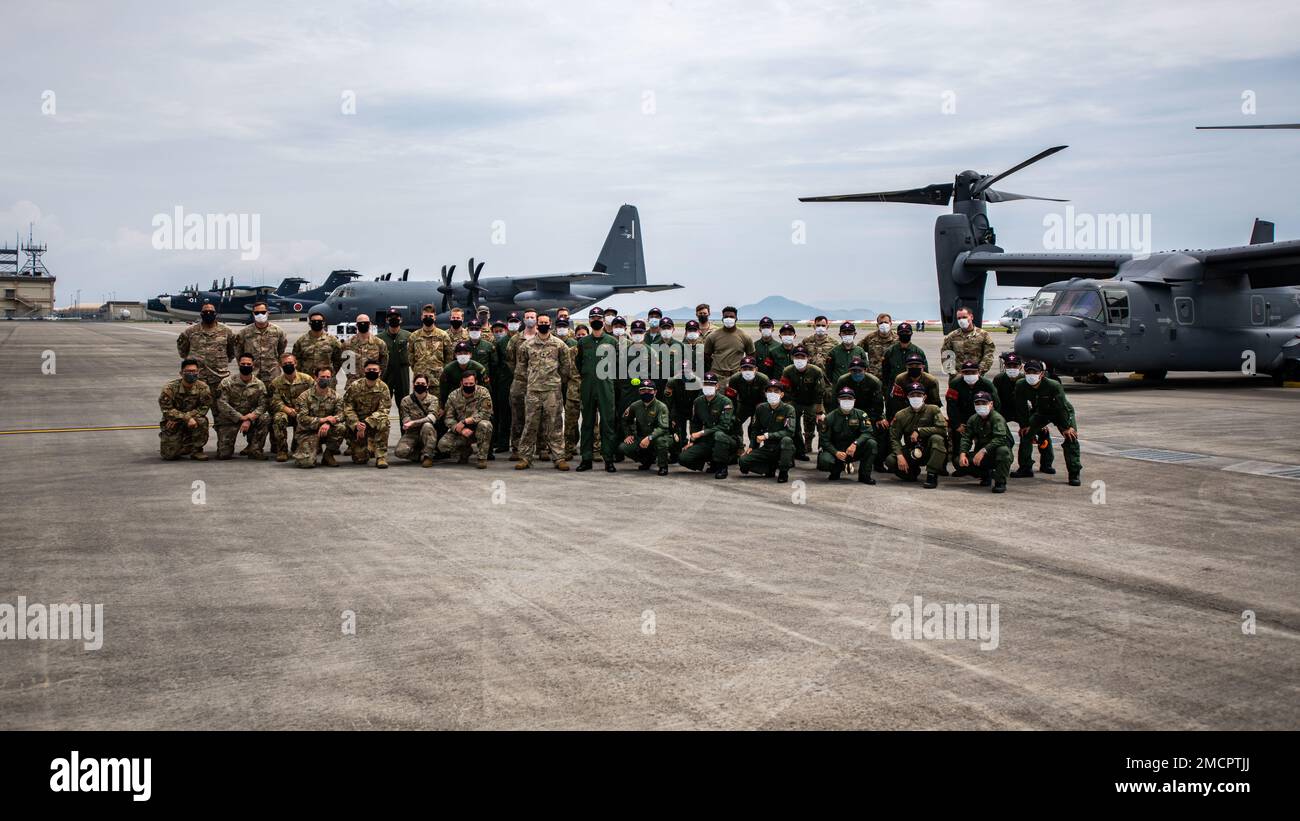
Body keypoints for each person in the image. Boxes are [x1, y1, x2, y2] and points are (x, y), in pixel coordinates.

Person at [515, 314, 572, 470]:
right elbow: (521, 369)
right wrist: (533, 380)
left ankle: (559, 458)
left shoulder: (559, 345)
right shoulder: (527, 345)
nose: (543, 324)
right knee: (530, 425)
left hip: (552, 391)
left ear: (550, 324)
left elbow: (566, 368)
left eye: (546, 322)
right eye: (541, 322)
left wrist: (554, 381)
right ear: (537, 324)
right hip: (533, 391)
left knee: (555, 425)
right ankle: (525, 458)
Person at [1012, 360, 1082, 485]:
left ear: (1042, 374)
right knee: (1025, 434)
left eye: (1035, 372)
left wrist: (1067, 427)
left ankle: (1074, 472)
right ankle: (1025, 467)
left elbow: (1062, 407)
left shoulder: (1053, 385)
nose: (1031, 374)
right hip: (1041, 412)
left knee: (1071, 438)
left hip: (1060, 413)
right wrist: (1024, 425)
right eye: (1028, 372)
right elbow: (1020, 406)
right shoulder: (1021, 385)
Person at [993, 351, 1055, 475]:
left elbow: (1037, 400)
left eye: (1015, 366)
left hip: (1025, 411)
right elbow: (995, 400)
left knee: (1041, 433)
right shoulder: (999, 379)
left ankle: (1046, 464)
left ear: (1020, 367)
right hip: (1004, 410)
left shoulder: (1026, 379)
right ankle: (1009, 465)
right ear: (1004, 367)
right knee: (997, 434)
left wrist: (1039, 421)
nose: (1012, 369)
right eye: (1009, 366)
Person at [575, 307, 617, 472]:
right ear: (589, 321)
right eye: (593, 318)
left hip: (606, 387)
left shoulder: (612, 342)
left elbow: (618, 365)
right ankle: (586, 459)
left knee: (607, 424)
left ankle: (608, 459)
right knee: (587, 423)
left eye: (599, 317)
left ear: (603, 320)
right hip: (587, 387)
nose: (597, 320)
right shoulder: (583, 342)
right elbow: (579, 364)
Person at [884, 381, 948, 489]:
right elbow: (894, 438)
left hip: (930, 449)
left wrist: (919, 431)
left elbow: (942, 429)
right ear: (907, 397)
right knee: (890, 460)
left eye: (919, 395)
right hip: (912, 450)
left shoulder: (933, 409)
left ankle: (932, 475)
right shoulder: (901, 415)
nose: (916, 397)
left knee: (937, 438)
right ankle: (911, 473)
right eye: (912, 395)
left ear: (925, 397)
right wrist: (899, 456)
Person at [677, 372, 736, 479]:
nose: (708, 386)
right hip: (707, 440)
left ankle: (722, 467)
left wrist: (702, 433)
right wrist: (693, 440)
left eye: (711, 384)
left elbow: (724, 426)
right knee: (683, 458)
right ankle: (711, 460)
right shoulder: (698, 402)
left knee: (719, 435)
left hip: (726, 439)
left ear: (717, 386)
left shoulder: (726, 402)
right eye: (705, 384)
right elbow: (695, 423)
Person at [834, 357, 888, 471]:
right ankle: (839, 459)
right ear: (849, 371)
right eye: (854, 371)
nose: (857, 373)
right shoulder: (843, 380)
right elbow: (835, 400)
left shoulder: (874, 381)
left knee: (881, 429)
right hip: (846, 410)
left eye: (860, 371)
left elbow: (878, 402)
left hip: (869, 411)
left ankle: (878, 461)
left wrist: (879, 418)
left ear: (865, 370)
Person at [945, 360, 998, 475]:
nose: (970, 375)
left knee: (985, 440)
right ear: (961, 373)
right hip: (962, 418)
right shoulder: (955, 384)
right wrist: (957, 424)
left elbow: (996, 405)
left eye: (973, 372)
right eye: (966, 372)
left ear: (979, 372)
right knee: (957, 439)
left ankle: (987, 466)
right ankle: (960, 466)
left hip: (982, 418)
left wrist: (988, 423)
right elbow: (951, 406)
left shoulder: (987, 384)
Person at [738, 379, 795, 483]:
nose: (772, 393)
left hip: (782, 448)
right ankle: (769, 469)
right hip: (767, 448)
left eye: (776, 391)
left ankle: (783, 471)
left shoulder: (788, 409)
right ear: (765, 394)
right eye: (770, 391)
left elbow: (789, 431)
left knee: (787, 440)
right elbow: (755, 429)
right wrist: (752, 446)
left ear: (782, 394)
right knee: (743, 461)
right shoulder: (761, 408)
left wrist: (767, 436)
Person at [214, 353, 269, 460]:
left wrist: (249, 418)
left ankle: (255, 449)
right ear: (239, 365)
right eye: (243, 364)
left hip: (251, 419)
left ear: (253, 366)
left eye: (248, 364)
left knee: (265, 418)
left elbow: (263, 405)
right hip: (230, 419)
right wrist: (240, 417)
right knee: (223, 455)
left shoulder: (259, 384)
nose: (245, 366)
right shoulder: (227, 383)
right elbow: (222, 404)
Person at [176, 302, 236, 398]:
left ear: (215, 314)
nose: (208, 314)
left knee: (220, 410)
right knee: (194, 410)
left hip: (219, 378)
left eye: (211, 312)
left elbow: (232, 351)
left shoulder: (226, 331)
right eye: (205, 312)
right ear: (201, 314)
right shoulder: (190, 331)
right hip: (197, 379)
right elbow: (183, 351)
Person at [819, 386, 878, 484]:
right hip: (837, 451)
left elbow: (867, 432)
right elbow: (824, 440)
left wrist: (855, 444)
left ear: (854, 400)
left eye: (849, 398)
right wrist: (835, 452)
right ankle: (836, 470)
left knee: (872, 444)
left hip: (854, 450)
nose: (847, 401)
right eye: (843, 398)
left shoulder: (861, 415)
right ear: (838, 400)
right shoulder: (830, 417)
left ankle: (864, 476)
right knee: (824, 461)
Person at [779, 346, 828, 461]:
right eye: (797, 357)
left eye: (803, 357)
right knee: (791, 424)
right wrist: (786, 408)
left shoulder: (816, 371)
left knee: (822, 422)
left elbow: (819, 392)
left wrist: (819, 411)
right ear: (792, 358)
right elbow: (784, 389)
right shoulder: (788, 371)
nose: (799, 360)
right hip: (794, 401)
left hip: (812, 402)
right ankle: (798, 450)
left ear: (808, 358)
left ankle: (824, 449)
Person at [958, 390, 1013, 493]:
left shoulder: (997, 418)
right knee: (959, 462)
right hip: (982, 453)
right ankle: (985, 475)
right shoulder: (973, 419)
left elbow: (1001, 438)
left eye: (984, 403)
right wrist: (963, 453)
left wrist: (984, 451)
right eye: (977, 403)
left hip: (997, 452)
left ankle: (1000, 482)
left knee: (1003, 451)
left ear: (991, 404)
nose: (980, 406)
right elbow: (966, 438)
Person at [438, 370, 494, 468]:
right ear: (461, 383)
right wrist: (459, 429)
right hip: (461, 430)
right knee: (443, 445)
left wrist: (466, 421)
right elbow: (448, 417)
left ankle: (482, 458)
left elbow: (486, 413)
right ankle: (465, 450)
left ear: (476, 382)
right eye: (466, 383)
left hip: (478, 427)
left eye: (471, 383)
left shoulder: (483, 392)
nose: (468, 385)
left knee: (486, 424)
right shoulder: (453, 396)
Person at [342, 359, 392, 468]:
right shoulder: (355, 386)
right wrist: (356, 424)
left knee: (385, 421)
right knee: (360, 459)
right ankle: (368, 445)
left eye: (374, 370)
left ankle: (381, 457)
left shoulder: (383, 388)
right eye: (369, 369)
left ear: (379, 372)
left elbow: (384, 410)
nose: (372, 371)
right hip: (358, 426)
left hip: (373, 424)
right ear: (364, 371)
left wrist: (366, 423)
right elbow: (347, 407)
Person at [159, 358, 211, 460]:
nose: (191, 374)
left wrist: (188, 417)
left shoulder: (203, 388)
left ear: (198, 372)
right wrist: (186, 418)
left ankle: (197, 450)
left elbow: (204, 408)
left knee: (202, 421)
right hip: (173, 421)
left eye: (194, 371)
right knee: (169, 456)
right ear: (181, 373)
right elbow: (166, 410)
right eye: (188, 371)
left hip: (193, 420)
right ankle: (183, 444)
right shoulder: (169, 388)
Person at [293, 367, 345, 468]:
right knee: (306, 463)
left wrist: (328, 423)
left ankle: (328, 455)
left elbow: (342, 414)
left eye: (328, 377)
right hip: (307, 432)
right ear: (316, 378)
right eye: (322, 377)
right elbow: (302, 418)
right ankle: (311, 450)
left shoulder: (336, 396)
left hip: (327, 430)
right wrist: (323, 420)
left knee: (341, 428)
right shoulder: (304, 397)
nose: (325, 379)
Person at [267, 353, 314, 461]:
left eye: (290, 363)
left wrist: (300, 410)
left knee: (307, 417)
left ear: (296, 364)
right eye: (285, 364)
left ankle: (297, 444)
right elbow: (274, 401)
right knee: (279, 418)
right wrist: (286, 409)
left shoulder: (307, 380)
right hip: (285, 412)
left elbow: (313, 397)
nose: (288, 365)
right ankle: (282, 450)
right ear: (280, 365)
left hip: (302, 412)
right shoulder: (276, 383)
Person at [620, 380, 672, 475]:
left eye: (649, 390)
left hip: (658, 437)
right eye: (643, 390)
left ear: (655, 392)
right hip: (641, 436)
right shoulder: (635, 405)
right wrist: (629, 434)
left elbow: (663, 427)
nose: (646, 393)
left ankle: (663, 466)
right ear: (639, 392)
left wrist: (649, 437)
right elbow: (625, 420)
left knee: (661, 441)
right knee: (624, 447)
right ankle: (646, 461)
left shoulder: (661, 407)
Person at [505, 308, 538, 458]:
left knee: (539, 416)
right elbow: (510, 360)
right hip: (520, 382)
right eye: (527, 317)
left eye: (532, 317)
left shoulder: (543, 337)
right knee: (517, 415)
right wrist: (520, 373)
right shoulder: (515, 339)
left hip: (539, 382)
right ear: (523, 320)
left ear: (536, 319)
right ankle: (517, 448)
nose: (530, 319)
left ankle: (541, 448)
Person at [234, 301, 287, 383]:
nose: (260, 315)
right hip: (252, 375)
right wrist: (245, 367)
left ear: (268, 313)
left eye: (263, 312)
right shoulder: (244, 332)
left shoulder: (278, 331)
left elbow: (281, 350)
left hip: (272, 375)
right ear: (253, 314)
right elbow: (238, 352)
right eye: (257, 312)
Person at [395, 374, 440, 467]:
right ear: (413, 384)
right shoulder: (405, 401)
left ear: (427, 385)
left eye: (423, 383)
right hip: (412, 433)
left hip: (427, 431)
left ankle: (428, 457)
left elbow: (431, 418)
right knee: (399, 452)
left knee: (427, 425)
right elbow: (406, 422)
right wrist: (410, 423)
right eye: (417, 383)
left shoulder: (433, 399)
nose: (420, 385)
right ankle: (420, 455)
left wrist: (414, 422)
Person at [702, 305, 754, 384]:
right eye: (726, 317)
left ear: (736, 318)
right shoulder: (712, 336)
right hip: (717, 376)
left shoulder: (745, 336)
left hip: (737, 376)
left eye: (731, 317)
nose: (728, 319)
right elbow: (706, 356)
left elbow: (751, 356)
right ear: (722, 318)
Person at [940, 306, 997, 376]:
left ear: (971, 317)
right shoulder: (951, 336)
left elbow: (988, 355)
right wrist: (955, 375)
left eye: (964, 317)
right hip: (956, 379)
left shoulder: (983, 335)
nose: (961, 320)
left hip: (977, 377)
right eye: (959, 318)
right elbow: (945, 356)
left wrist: (979, 373)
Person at [293, 310, 344, 386]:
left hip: (327, 380)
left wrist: (331, 372)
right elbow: (296, 359)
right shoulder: (301, 341)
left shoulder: (333, 340)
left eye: (319, 321)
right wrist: (302, 373)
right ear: (310, 323)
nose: (316, 323)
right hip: (306, 381)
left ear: (323, 323)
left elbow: (339, 359)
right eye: (314, 321)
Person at [408, 304, 452, 386]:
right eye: (425, 316)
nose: (428, 318)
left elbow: (449, 356)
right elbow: (411, 356)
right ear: (421, 317)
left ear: (435, 317)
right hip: (419, 379)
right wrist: (418, 369)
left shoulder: (443, 335)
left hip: (437, 379)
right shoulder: (414, 336)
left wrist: (443, 370)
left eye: (431, 316)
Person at [726, 356, 767, 442]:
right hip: (743, 404)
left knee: (753, 426)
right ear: (740, 370)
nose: (747, 371)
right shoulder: (734, 379)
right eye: (744, 369)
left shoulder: (763, 379)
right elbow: (731, 399)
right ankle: (738, 445)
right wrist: (732, 413)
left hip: (758, 405)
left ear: (756, 369)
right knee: (734, 422)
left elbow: (765, 399)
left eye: (750, 368)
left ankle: (753, 448)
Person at [889, 353, 942, 419]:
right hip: (905, 411)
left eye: (917, 366)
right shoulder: (900, 379)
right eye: (910, 366)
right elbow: (896, 401)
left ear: (923, 367)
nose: (914, 368)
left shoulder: (931, 381)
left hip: (926, 412)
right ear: (906, 367)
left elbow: (935, 402)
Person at [439, 341, 488, 407]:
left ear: (470, 354)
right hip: (455, 400)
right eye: (459, 353)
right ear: (455, 355)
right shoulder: (448, 369)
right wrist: (442, 407)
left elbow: (486, 388)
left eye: (465, 353)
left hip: (475, 399)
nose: (462, 356)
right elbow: (443, 390)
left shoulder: (479, 368)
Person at [379, 309, 412, 408]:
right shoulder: (379, 338)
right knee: (383, 404)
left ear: (401, 320)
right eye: (390, 317)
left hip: (402, 372)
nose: (394, 319)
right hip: (386, 373)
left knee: (404, 404)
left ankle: (405, 424)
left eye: (396, 317)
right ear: (387, 320)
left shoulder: (408, 336)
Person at [346, 314, 387, 392]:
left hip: (373, 384)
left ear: (370, 324)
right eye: (360, 323)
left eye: (365, 323)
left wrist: (376, 374)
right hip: (353, 385)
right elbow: (343, 363)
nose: (363, 325)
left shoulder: (379, 343)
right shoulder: (348, 344)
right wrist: (351, 376)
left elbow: (384, 362)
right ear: (356, 325)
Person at [826, 321, 866, 387]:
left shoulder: (860, 351)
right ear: (840, 334)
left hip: (856, 386)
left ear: (855, 334)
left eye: (850, 333)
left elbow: (865, 369)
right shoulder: (833, 352)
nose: (847, 335)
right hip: (839, 387)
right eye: (844, 333)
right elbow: (829, 372)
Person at [862, 313, 897, 380]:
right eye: (881, 323)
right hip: (873, 378)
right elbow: (858, 351)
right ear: (877, 325)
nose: (883, 325)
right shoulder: (870, 338)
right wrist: (864, 366)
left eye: (886, 322)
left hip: (891, 378)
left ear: (890, 324)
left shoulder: (897, 339)